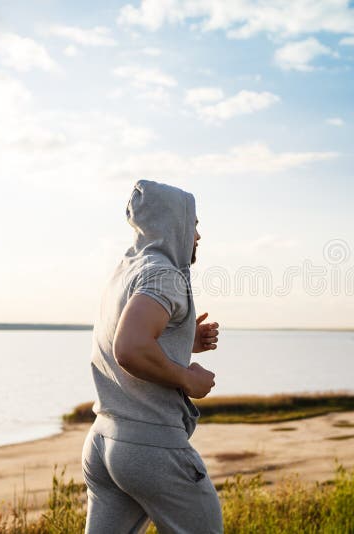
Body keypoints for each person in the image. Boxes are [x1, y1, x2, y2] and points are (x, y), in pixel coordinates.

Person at [81, 179, 223, 533]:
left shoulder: (124, 272)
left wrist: (182, 340)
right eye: (194, 225)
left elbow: (124, 337)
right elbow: (129, 348)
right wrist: (188, 377)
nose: (198, 237)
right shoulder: (164, 276)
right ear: (174, 225)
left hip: (103, 441)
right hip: (150, 446)